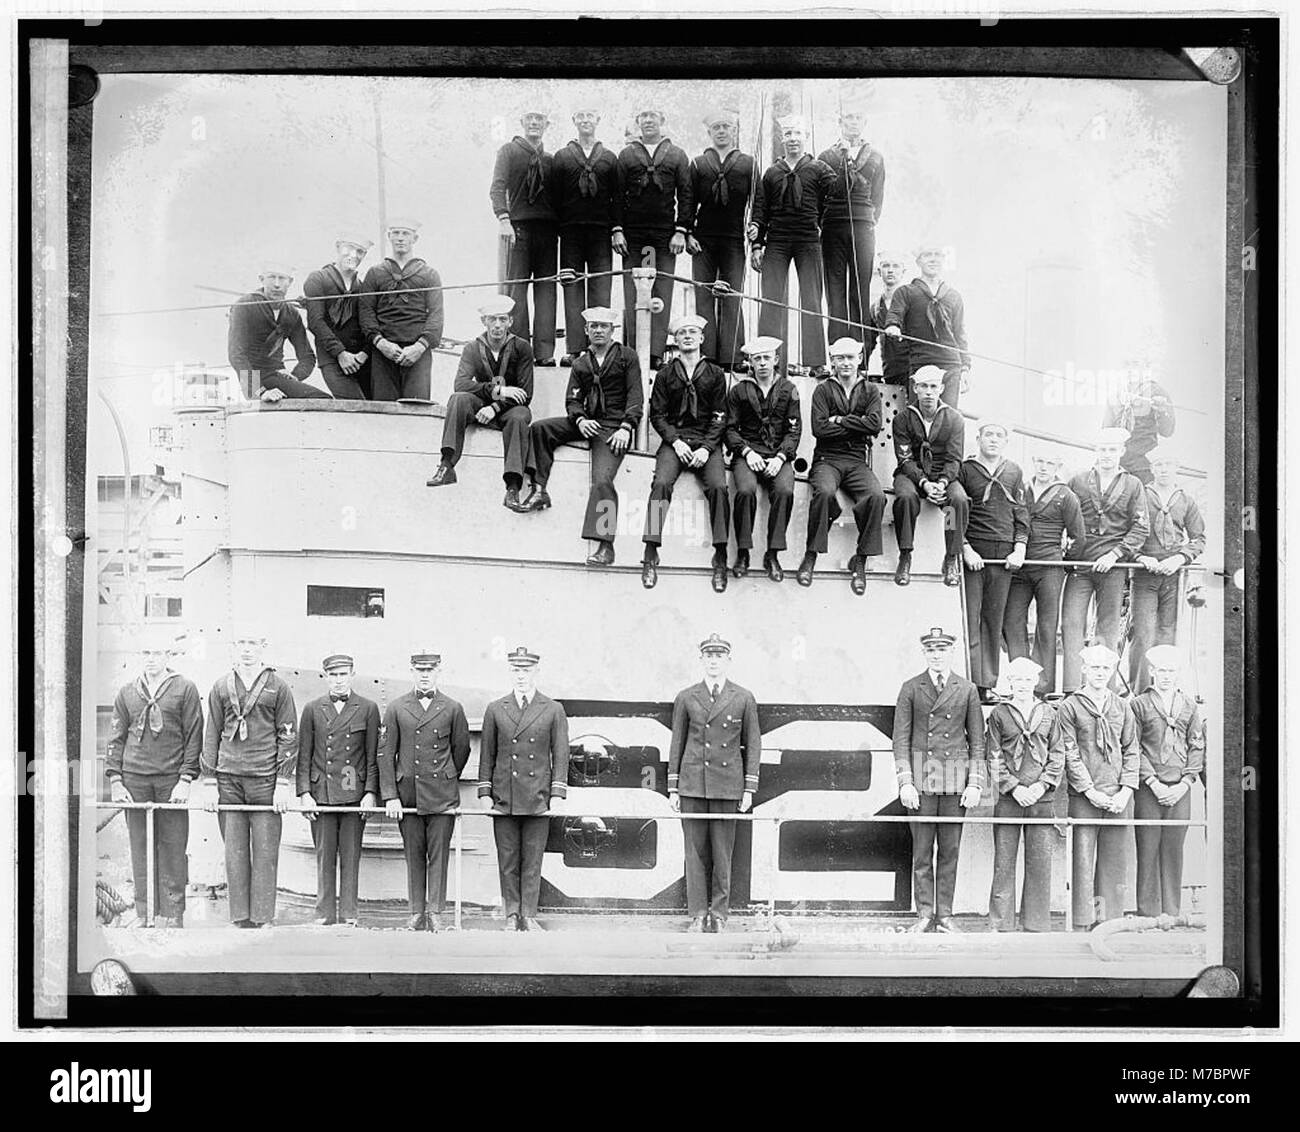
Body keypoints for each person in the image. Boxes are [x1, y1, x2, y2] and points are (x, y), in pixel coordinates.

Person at [521, 306, 643, 565]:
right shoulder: (581, 362)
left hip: (614, 427)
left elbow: (636, 397)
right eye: (594, 327)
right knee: (541, 429)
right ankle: (539, 489)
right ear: (586, 331)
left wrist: (626, 427)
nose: (599, 330)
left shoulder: (627, 357)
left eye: (604, 326)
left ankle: (605, 546)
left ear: (612, 330)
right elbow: (572, 399)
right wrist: (580, 419)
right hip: (588, 421)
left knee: (602, 480)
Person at [200, 626, 298, 928]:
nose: (246, 649)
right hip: (229, 779)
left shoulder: (278, 687)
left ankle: (263, 917)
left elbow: (289, 735)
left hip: (265, 779)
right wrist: (208, 782)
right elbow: (212, 733)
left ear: (263, 646)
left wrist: (283, 781)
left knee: (266, 851)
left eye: (252, 643)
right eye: (241, 642)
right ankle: (240, 917)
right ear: (235, 646)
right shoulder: (220, 686)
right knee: (234, 851)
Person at [105, 630, 203, 927]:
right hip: (134, 780)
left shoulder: (184, 688)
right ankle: (145, 913)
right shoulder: (127, 692)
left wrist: (185, 779)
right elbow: (116, 738)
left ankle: (172, 914)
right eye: (146, 653)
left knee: (173, 847)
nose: (151, 659)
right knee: (140, 847)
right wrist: (115, 780)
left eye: (157, 653)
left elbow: (194, 737)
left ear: (168, 656)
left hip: (170, 780)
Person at [893, 627, 985, 933]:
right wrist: (905, 781)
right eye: (931, 650)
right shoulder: (910, 687)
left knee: (950, 850)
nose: (936, 655)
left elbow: (979, 742)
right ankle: (924, 914)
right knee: (921, 851)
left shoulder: (967, 689)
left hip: (955, 779)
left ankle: (945, 914)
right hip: (921, 777)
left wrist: (975, 783)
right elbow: (900, 739)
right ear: (924, 653)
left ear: (951, 653)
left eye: (942, 650)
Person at [667, 634, 761, 932]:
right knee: (693, 854)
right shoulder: (686, 697)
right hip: (693, 784)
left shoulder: (743, 697)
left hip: (727, 785)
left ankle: (719, 914)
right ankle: (697, 914)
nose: (713, 661)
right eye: (709, 656)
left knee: (723, 853)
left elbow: (753, 745)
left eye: (719, 656)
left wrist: (749, 788)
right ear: (701, 660)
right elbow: (677, 743)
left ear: (728, 661)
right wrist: (673, 787)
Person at [477, 647, 569, 931]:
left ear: (536, 672)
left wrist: (557, 794)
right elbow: (487, 754)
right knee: (508, 861)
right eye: (516, 671)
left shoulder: (553, 709)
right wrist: (484, 793)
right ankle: (511, 915)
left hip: (537, 797)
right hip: (505, 798)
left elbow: (561, 754)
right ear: (510, 672)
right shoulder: (496, 708)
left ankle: (529, 915)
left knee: (532, 860)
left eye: (526, 671)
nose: (521, 676)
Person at [378, 650, 471, 931]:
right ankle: (416, 911)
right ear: (412, 672)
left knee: (439, 855)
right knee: (414, 854)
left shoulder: (453, 708)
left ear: (439, 671)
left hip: (441, 796)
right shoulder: (396, 707)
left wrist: (445, 776)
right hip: (408, 795)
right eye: (420, 671)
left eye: (430, 670)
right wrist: (391, 795)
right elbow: (385, 754)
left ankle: (436, 912)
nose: (425, 675)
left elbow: (461, 749)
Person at [640, 314, 731, 593]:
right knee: (661, 484)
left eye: (693, 332)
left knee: (718, 488)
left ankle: (720, 555)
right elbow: (657, 414)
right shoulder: (667, 374)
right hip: (676, 440)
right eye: (682, 333)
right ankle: (650, 551)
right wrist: (675, 442)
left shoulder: (715, 374)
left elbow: (720, 416)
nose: (688, 337)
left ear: (702, 339)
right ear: (675, 340)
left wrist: (706, 448)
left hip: (706, 441)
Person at [1055, 642, 1140, 929]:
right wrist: (1089, 791)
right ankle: (1081, 921)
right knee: (1082, 860)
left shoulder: (1122, 706)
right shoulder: (1069, 707)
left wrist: (1126, 791)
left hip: (1118, 796)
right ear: (1084, 670)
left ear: (1113, 670)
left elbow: (1132, 749)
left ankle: (1108, 921)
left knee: (1114, 861)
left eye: (1105, 668)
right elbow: (1069, 752)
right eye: (1094, 667)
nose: (1100, 673)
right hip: (1084, 796)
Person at [1060, 427, 1150, 691]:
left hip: (1113, 566)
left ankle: (1104, 690)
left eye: (1112, 449)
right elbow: (1062, 516)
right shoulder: (1077, 480)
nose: (1107, 455)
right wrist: (1065, 543)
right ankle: (1072, 689)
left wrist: (1114, 554)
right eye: (1102, 449)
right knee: (1071, 622)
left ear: (1121, 451)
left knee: (1107, 628)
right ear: (1095, 451)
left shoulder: (1133, 484)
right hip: (1081, 563)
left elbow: (1141, 527)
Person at [796, 336, 886, 595]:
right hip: (828, 458)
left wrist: (840, 420)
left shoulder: (869, 390)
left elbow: (875, 425)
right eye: (840, 358)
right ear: (832, 361)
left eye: (850, 358)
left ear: (859, 359)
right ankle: (811, 555)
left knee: (876, 496)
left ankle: (860, 560)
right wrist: (856, 423)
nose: (845, 363)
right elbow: (819, 429)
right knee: (823, 492)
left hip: (857, 460)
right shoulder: (823, 389)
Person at [428, 294, 534, 511]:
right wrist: (496, 390)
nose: (497, 325)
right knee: (457, 399)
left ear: (510, 322)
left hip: (508, 410)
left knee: (521, 416)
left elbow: (525, 393)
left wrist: (494, 407)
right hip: (481, 405)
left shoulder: (522, 347)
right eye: (492, 319)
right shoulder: (473, 348)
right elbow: (461, 384)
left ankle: (512, 488)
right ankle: (447, 465)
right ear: (484, 322)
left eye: (503, 319)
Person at [295, 653, 379, 927]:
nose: (339, 680)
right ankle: (324, 913)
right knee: (324, 856)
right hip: (322, 795)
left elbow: (371, 755)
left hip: (353, 793)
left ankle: (350, 914)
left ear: (352, 675)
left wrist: (370, 793)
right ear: (326, 677)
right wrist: (305, 793)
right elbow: (303, 755)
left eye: (343, 674)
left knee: (351, 857)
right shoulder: (312, 708)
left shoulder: (367, 708)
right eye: (333, 675)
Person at [749, 114, 835, 376]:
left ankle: (816, 361)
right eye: (788, 134)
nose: (793, 139)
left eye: (797, 133)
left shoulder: (819, 169)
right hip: (777, 239)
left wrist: (821, 223)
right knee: (771, 298)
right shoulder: (772, 172)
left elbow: (836, 196)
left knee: (811, 299)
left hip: (808, 239)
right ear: (782, 138)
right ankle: (766, 358)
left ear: (805, 137)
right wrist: (756, 244)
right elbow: (760, 208)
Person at [986, 656, 1063, 932]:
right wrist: (1014, 787)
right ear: (1010, 682)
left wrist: (1042, 786)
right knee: (1004, 862)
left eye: (1027, 679)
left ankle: (1037, 923)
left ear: (1035, 682)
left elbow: (1058, 754)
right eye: (1016, 679)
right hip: (1010, 799)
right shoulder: (999, 714)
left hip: (1042, 799)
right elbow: (993, 756)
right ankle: (1001, 923)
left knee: (1040, 862)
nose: (1022, 684)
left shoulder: (1050, 713)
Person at [614, 107, 693, 368]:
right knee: (633, 291)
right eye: (643, 117)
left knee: (661, 290)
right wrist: (617, 229)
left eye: (653, 116)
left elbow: (686, 195)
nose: (648, 121)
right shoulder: (626, 155)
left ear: (662, 120)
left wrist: (681, 230)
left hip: (664, 235)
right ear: (637, 122)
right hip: (634, 235)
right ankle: (634, 353)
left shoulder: (677, 155)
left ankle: (655, 352)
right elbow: (616, 195)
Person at [1130, 645, 1205, 919]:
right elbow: (1133, 747)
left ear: (1178, 673)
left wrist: (1186, 782)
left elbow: (1196, 745)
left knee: (1174, 850)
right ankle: (1148, 913)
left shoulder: (1189, 705)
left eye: (1171, 671)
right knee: (1148, 848)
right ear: (1152, 672)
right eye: (1161, 670)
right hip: (1150, 789)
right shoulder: (1138, 704)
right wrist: (1152, 782)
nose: (1166, 676)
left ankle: (1171, 911)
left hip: (1180, 790)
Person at [1003, 449, 1086, 696]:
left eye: (1050, 462)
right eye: (1040, 460)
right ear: (1033, 461)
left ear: (1057, 465)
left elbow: (1078, 536)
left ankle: (1043, 686)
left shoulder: (1066, 495)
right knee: (1012, 621)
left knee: (1046, 625)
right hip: (1021, 566)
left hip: (1050, 567)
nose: (1044, 466)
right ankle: (1020, 679)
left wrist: (1065, 563)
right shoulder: (1021, 490)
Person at [957, 420, 1029, 701]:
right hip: (974, 554)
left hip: (1004, 556)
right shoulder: (964, 469)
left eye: (1000, 435)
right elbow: (950, 512)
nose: (994, 440)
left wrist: (1019, 548)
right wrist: (963, 547)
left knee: (992, 620)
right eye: (989, 434)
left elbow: (1022, 513)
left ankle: (986, 685)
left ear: (1006, 441)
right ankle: (970, 685)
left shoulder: (1013, 471)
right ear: (978, 438)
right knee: (970, 618)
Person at [1128, 446, 1205, 690]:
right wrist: (1140, 556)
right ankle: (1139, 691)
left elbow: (1199, 538)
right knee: (1142, 633)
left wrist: (1180, 558)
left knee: (1168, 632)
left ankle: (1165, 689)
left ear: (1176, 468)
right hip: (1144, 573)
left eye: (1168, 465)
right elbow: (1127, 532)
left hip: (1173, 574)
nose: (1163, 470)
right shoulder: (1140, 495)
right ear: (1152, 469)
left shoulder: (1186, 500)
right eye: (1159, 465)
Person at [726, 335, 801, 582]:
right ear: (751, 362)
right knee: (745, 491)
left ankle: (773, 553)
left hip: (778, 455)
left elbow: (794, 430)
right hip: (748, 453)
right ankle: (744, 552)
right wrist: (747, 452)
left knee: (784, 491)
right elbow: (730, 429)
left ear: (775, 360)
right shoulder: (739, 391)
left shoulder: (789, 390)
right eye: (757, 359)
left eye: (766, 358)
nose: (762, 364)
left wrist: (780, 458)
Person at [550, 106, 620, 364]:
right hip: (570, 231)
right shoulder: (562, 157)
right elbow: (554, 196)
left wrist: (616, 229)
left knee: (601, 288)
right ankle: (575, 349)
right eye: (580, 116)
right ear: (574, 121)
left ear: (598, 120)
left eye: (590, 116)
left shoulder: (610, 158)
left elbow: (617, 198)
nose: (585, 120)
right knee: (572, 288)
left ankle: (598, 348)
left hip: (600, 231)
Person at [688, 108, 755, 371]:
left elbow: (757, 200)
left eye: (726, 127)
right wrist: (688, 232)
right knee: (703, 293)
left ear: (734, 130)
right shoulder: (698, 163)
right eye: (716, 127)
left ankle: (733, 356)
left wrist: (756, 226)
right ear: (709, 132)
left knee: (733, 295)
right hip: (703, 239)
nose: (722, 131)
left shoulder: (748, 163)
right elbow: (689, 200)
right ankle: (707, 355)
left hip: (733, 238)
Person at [491, 109, 559, 365]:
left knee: (546, 290)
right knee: (516, 289)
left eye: (540, 119)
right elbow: (497, 187)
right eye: (529, 118)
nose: (534, 123)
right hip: (518, 228)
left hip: (548, 231)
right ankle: (521, 349)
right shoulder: (508, 151)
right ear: (521, 123)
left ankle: (544, 353)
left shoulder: (551, 159)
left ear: (546, 124)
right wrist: (504, 218)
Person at [891, 365, 969, 587]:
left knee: (957, 502)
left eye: (933, 387)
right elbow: (905, 459)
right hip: (912, 473)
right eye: (923, 386)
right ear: (915, 388)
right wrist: (924, 483)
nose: (928, 392)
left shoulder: (954, 419)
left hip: (944, 474)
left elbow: (954, 458)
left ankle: (951, 557)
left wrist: (942, 483)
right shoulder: (903, 419)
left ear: (941, 389)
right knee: (905, 497)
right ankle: (905, 555)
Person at [817, 101, 886, 348]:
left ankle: (860, 352)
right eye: (848, 118)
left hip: (862, 226)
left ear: (864, 122)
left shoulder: (876, 156)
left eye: (858, 118)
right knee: (835, 290)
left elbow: (878, 197)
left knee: (860, 287)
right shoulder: (826, 156)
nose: (853, 122)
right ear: (840, 122)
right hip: (833, 225)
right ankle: (836, 349)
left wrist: (866, 219)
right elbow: (819, 195)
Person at [357, 219, 444, 401]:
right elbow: (366, 313)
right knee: (384, 409)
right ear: (389, 237)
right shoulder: (375, 273)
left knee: (416, 408)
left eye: (405, 234)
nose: (400, 238)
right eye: (396, 233)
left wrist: (420, 347)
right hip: (383, 352)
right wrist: (381, 343)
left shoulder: (429, 274)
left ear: (415, 238)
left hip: (417, 353)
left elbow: (436, 315)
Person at [883, 242, 970, 407]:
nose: (933, 259)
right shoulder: (906, 292)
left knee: (947, 415)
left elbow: (960, 333)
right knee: (919, 415)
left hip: (950, 364)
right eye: (927, 255)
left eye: (937, 255)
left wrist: (965, 367)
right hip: (920, 360)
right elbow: (895, 314)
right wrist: (893, 325)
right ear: (918, 261)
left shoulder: (953, 295)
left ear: (943, 260)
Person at [227, 263, 324, 401]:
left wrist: (295, 376)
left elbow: (308, 357)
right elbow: (236, 354)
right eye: (272, 277)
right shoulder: (245, 305)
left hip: (275, 376)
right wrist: (260, 392)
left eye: (282, 278)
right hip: (250, 378)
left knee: (322, 399)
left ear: (290, 282)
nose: (277, 284)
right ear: (262, 279)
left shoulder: (291, 313)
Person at [302, 236, 374, 399]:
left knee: (373, 408)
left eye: (360, 251)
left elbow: (369, 325)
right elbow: (315, 322)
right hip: (333, 358)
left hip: (360, 360)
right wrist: (340, 353)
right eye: (348, 248)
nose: (353, 255)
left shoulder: (362, 287)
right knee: (356, 407)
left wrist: (363, 354)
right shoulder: (318, 279)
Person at [1102, 366, 1175, 484]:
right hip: (1117, 459)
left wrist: (1162, 410)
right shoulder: (1116, 394)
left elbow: (1167, 431)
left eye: (1135, 363)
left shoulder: (1157, 392)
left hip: (1142, 461)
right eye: (1126, 364)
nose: (1130, 369)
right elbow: (1106, 431)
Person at [865, 251, 909, 385]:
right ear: (879, 270)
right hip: (890, 372)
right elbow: (869, 342)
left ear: (903, 271)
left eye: (895, 266)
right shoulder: (875, 307)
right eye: (886, 266)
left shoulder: (912, 300)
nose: (890, 270)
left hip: (913, 369)